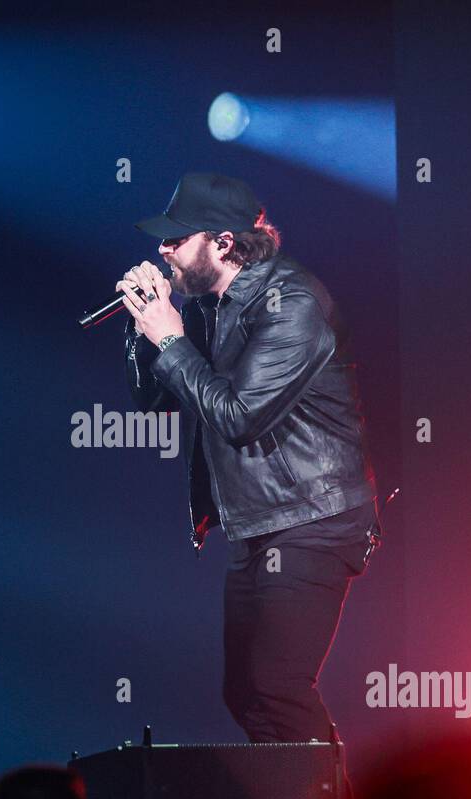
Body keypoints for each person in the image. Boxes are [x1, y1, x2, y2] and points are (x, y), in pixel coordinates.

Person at [120, 172, 380, 744]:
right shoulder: (215, 302)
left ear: (224, 243)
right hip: (261, 521)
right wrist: (146, 326)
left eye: (177, 238)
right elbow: (155, 397)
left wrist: (170, 339)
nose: (162, 249)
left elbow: (238, 416)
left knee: (277, 688)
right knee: (246, 693)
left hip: (313, 518)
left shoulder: (293, 303)